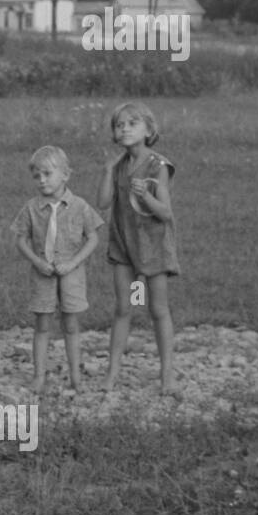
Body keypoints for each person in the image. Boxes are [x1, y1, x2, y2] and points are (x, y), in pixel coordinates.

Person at [97, 102, 179, 394]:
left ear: (149, 130)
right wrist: (107, 171)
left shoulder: (159, 166)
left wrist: (146, 197)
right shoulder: (118, 166)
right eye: (120, 125)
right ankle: (112, 374)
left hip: (153, 246)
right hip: (124, 244)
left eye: (132, 123)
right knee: (123, 307)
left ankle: (167, 375)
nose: (125, 129)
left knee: (158, 309)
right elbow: (103, 203)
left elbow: (166, 213)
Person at [11, 145, 104, 393]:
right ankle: (39, 376)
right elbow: (20, 240)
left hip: (72, 274)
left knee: (71, 325)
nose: (41, 181)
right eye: (36, 176)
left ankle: (76, 376)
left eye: (47, 174)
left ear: (65, 174)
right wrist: (37, 262)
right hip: (43, 274)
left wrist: (73, 263)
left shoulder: (80, 206)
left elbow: (93, 238)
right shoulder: (31, 208)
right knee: (42, 326)